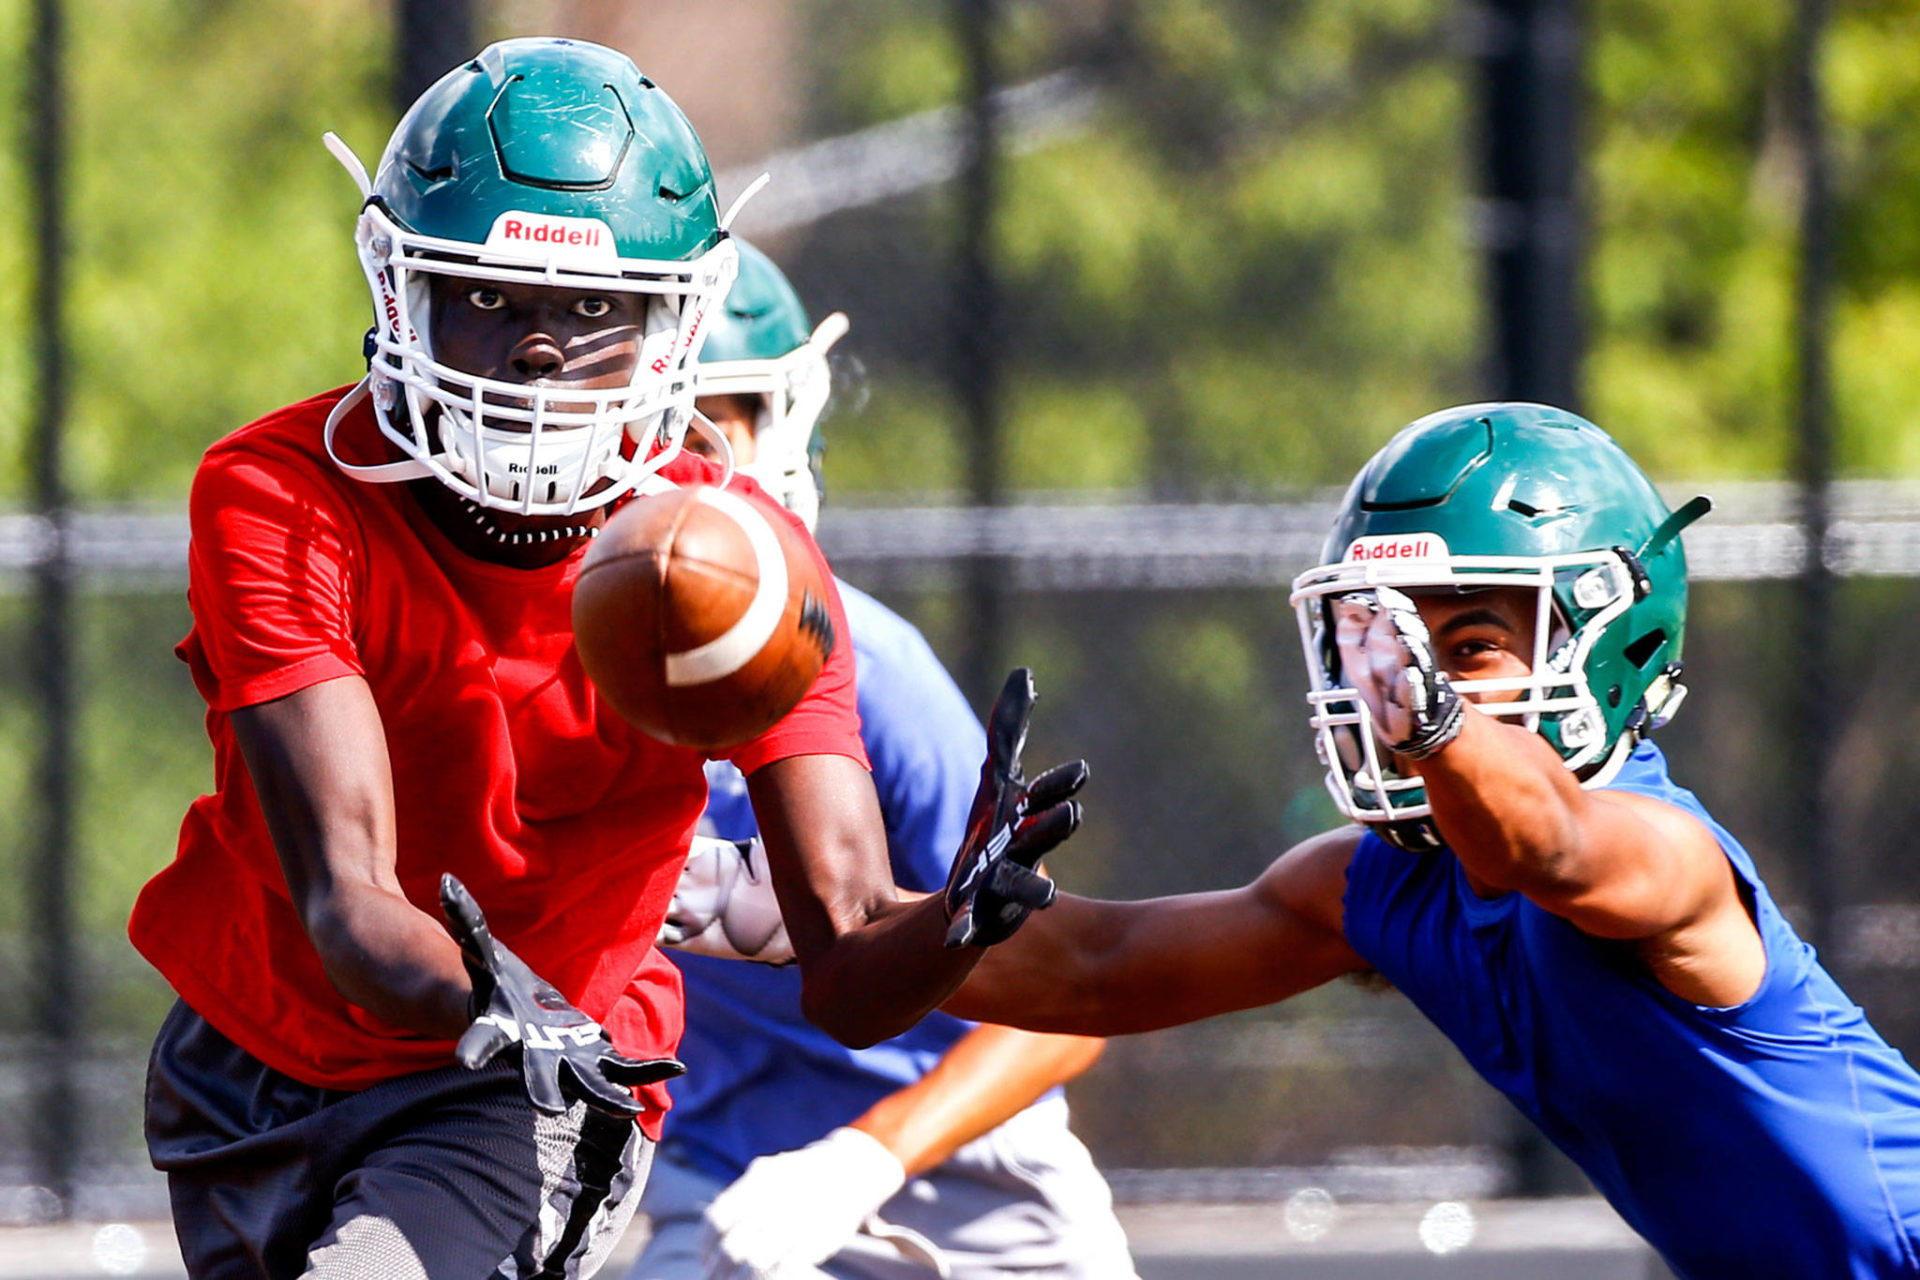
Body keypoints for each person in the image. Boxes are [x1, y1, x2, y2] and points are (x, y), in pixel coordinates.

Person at [128, 39, 1076, 1280]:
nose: (538, 351)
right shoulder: (283, 491)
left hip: (530, 1082)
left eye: (592, 309)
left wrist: (955, 918)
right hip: (254, 1052)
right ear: (400, 290)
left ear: (672, 324)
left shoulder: (738, 563)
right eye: (490, 296)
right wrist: (494, 998)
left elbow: (845, 954)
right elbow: (352, 901)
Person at [942, 402, 1920, 1280]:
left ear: (1613, 646)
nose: (1403, 682)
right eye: (1388, 643)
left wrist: (1437, 725)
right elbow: (1099, 968)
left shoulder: (1667, 854)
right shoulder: (1388, 881)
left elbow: (1547, 844)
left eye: (1469, 647)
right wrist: (844, 919)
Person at [626, 243, 1138, 1280]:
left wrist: (864, 1156)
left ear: (782, 426)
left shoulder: (868, 671)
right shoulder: (540, 671)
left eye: (709, 426)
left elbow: (1065, 1011)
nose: (689, 470)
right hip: (718, 1183)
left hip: (965, 1179)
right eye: (653, 428)